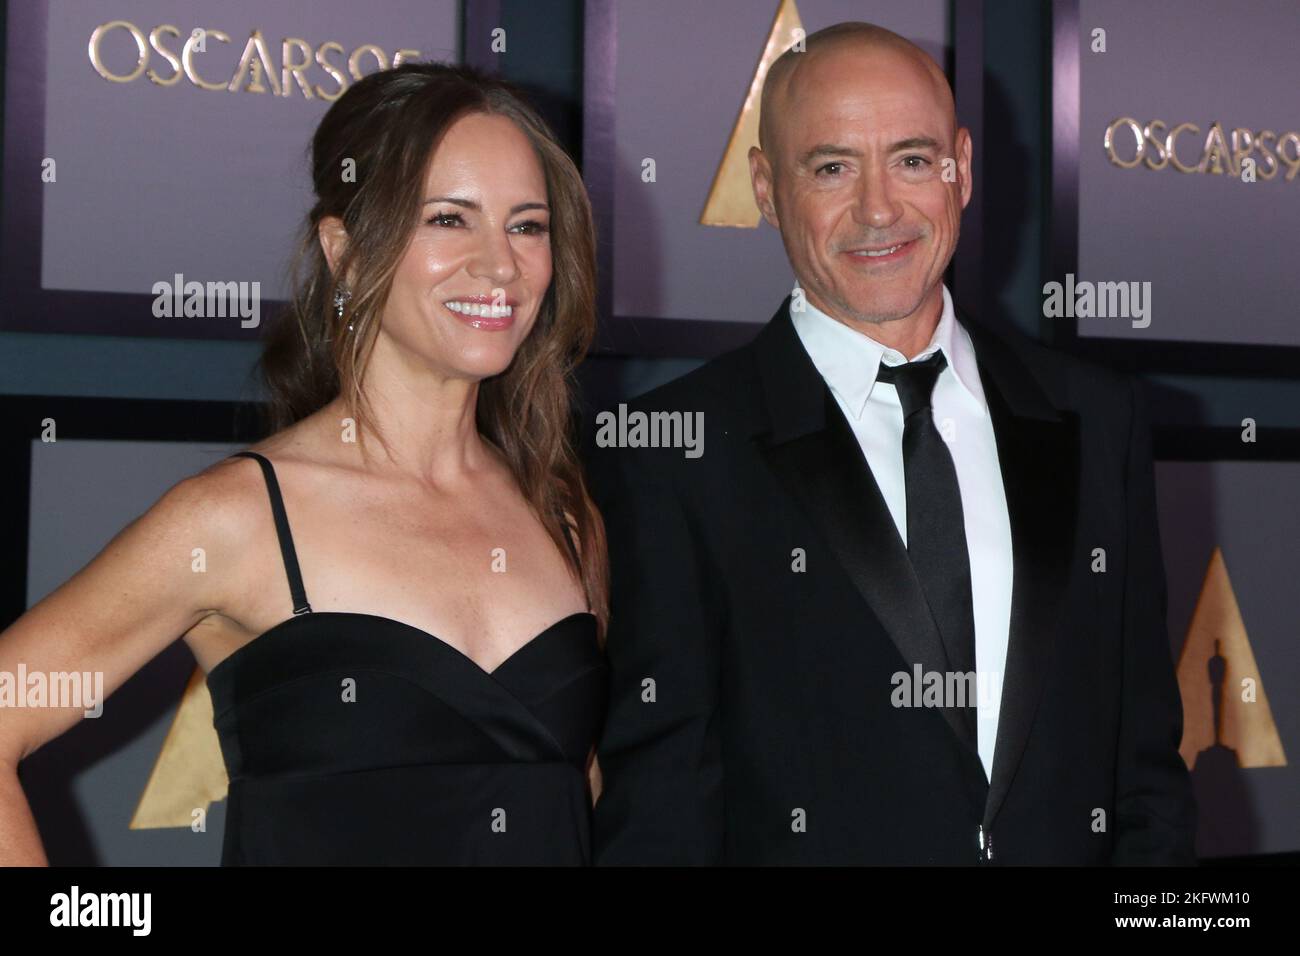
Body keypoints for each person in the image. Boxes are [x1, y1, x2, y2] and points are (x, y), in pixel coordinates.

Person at [589, 23, 1195, 864]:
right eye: (832, 167)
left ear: (963, 169)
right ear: (765, 187)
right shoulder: (675, 458)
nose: (879, 209)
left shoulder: (1099, 421)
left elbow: (1144, 774)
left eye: (912, 160)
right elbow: (663, 813)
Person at [0, 63, 609, 865]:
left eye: (527, 226)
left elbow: (581, 798)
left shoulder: (560, 511)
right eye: (449, 220)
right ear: (347, 254)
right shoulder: (237, 518)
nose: (499, 265)